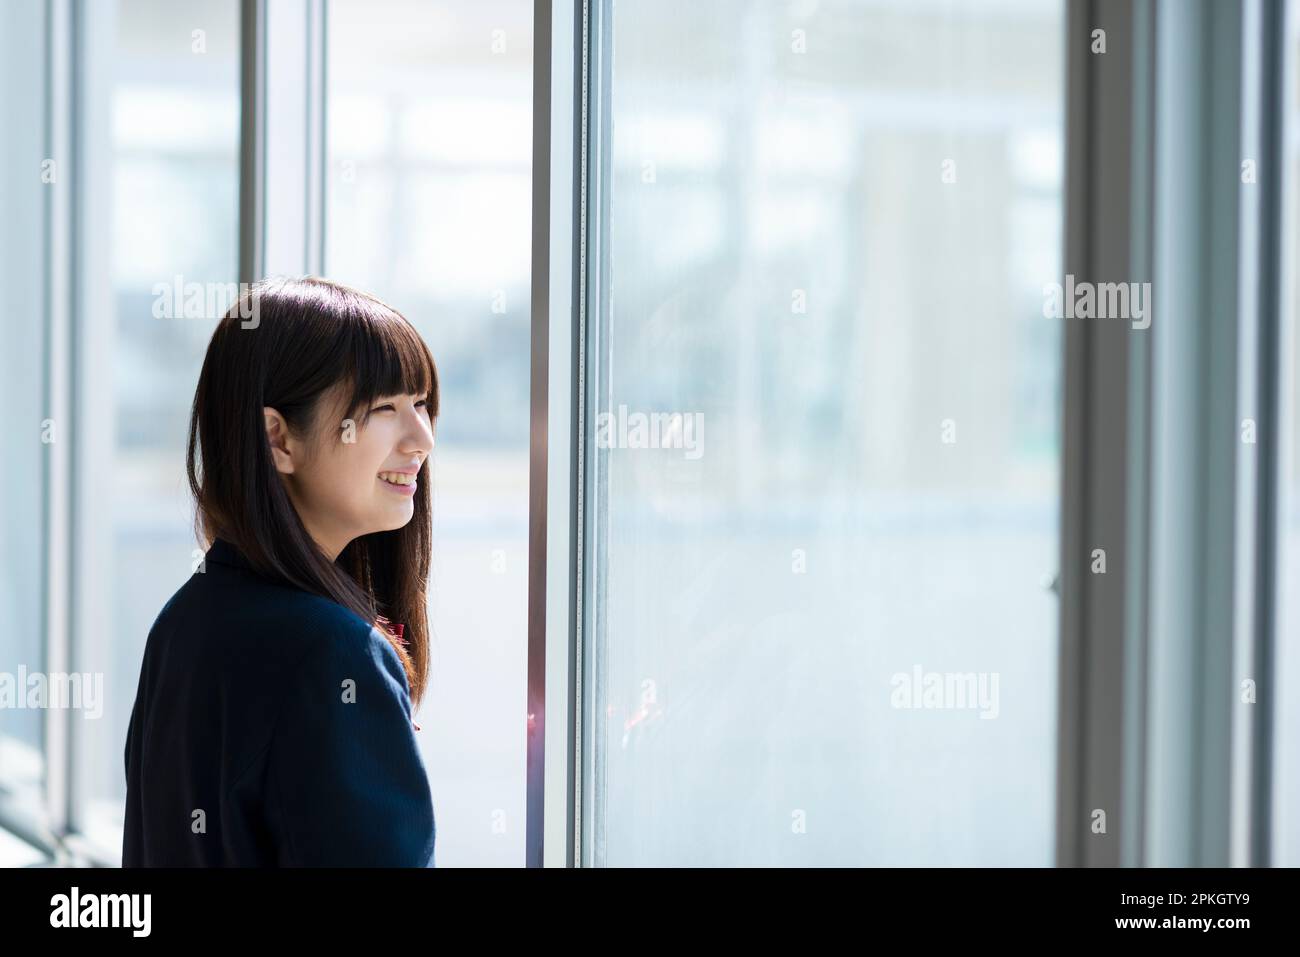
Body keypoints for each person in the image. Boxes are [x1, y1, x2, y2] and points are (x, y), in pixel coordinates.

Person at [122, 276, 438, 866]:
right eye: (384, 408)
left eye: (421, 405)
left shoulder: (184, 620)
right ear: (278, 438)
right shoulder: (335, 654)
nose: (422, 437)